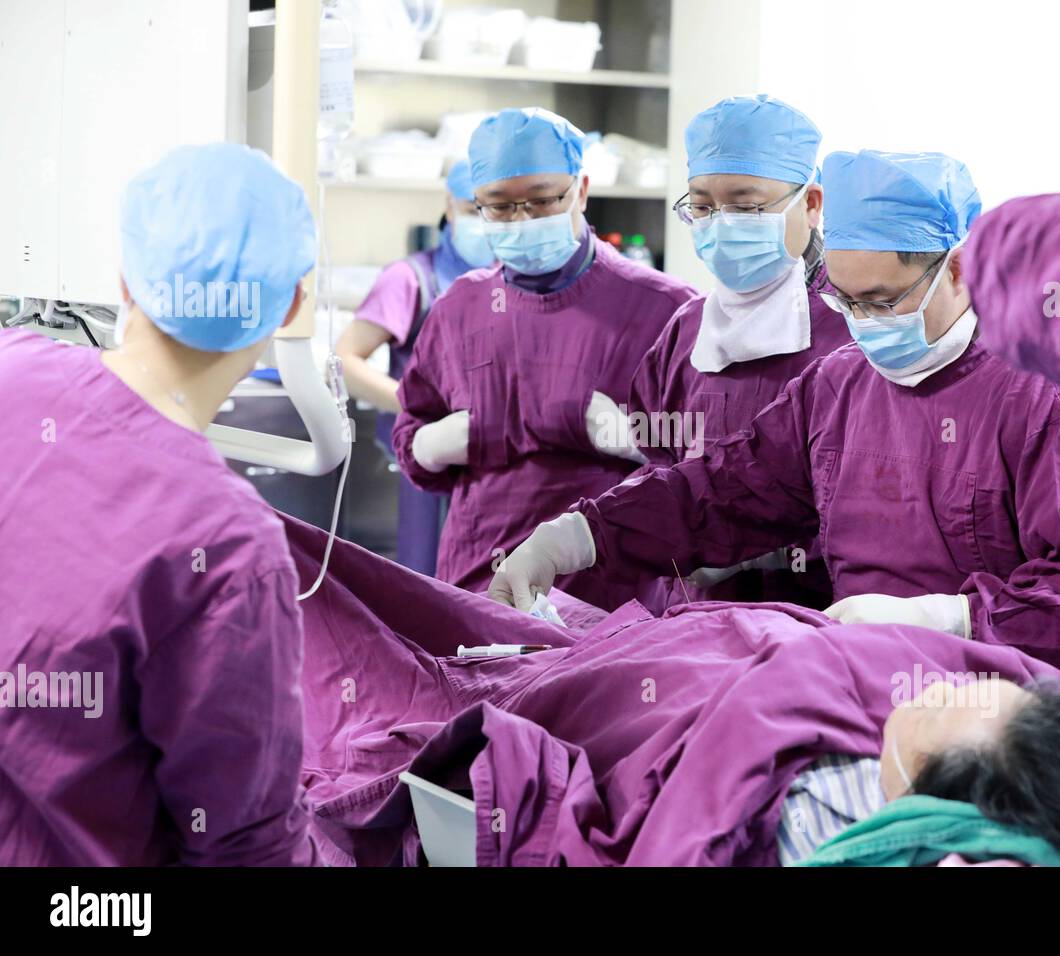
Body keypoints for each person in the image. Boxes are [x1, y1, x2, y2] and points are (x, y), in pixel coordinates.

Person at [489, 149, 1060, 679]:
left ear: (961, 270)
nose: (863, 326)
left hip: (1003, 713)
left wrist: (949, 619)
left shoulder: (1048, 398)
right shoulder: (837, 386)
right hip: (854, 687)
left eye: (883, 302)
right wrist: (577, 537)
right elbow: (720, 494)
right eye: (848, 304)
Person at [0, 143, 320, 865]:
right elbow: (244, 839)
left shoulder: (10, 368)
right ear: (294, 302)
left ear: (127, 280)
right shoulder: (230, 542)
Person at [392, 108, 696, 608]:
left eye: (540, 201)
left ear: (581, 189)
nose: (522, 220)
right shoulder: (461, 309)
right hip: (478, 586)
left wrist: (639, 440)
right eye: (499, 207)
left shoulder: (662, 306)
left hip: (612, 593)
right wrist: (430, 444)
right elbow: (411, 433)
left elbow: (710, 456)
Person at [624, 94, 850, 610]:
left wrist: (760, 548)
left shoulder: (853, 335)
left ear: (811, 205)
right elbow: (657, 467)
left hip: (816, 625)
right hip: (692, 619)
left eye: (746, 207)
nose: (721, 224)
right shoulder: (685, 331)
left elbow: (884, 502)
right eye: (702, 206)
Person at [777, 677, 1060, 864]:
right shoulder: (999, 726)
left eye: (933, 713)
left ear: (922, 804)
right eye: (963, 687)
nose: (935, 687)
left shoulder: (812, 821)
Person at [335, 159, 494, 576]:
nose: (482, 220)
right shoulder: (410, 279)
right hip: (423, 460)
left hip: (494, 461)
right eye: (470, 207)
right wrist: (417, 410)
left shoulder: (511, 279)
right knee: (423, 578)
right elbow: (345, 360)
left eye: (493, 208)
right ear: (448, 204)